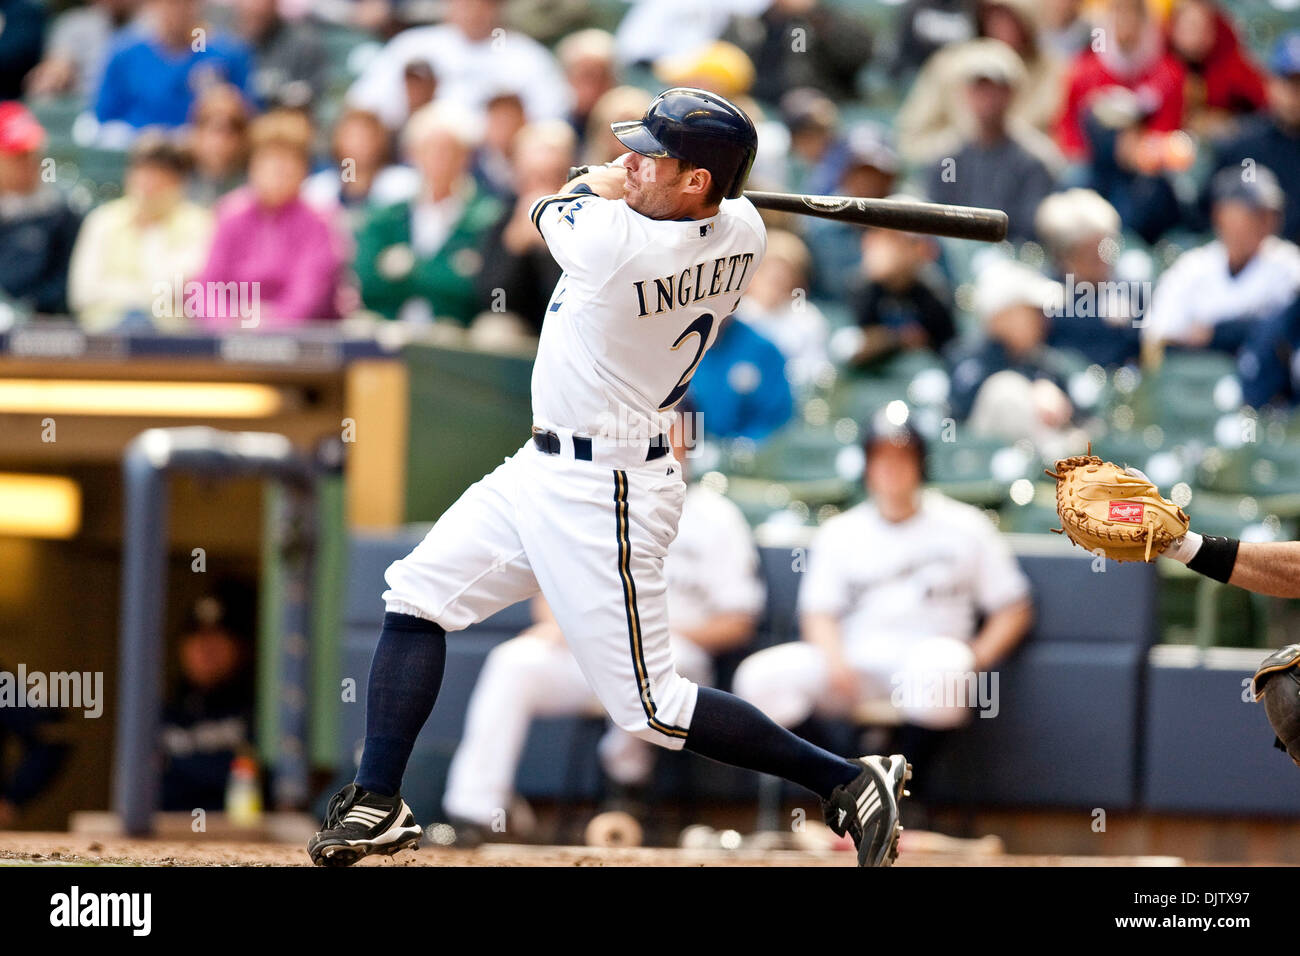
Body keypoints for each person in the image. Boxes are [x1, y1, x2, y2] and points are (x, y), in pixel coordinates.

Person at [308, 88, 912, 870]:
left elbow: (545, 207)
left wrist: (594, 184)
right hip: (543, 465)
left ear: (697, 183)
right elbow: (675, 202)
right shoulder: (746, 227)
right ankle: (379, 800)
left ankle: (847, 782)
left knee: (653, 709)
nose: (630, 160)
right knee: (416, 594)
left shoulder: (615, 243)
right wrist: (640, 181)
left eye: (651, 155)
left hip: (609, 486)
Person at [442, 425, 764, 842]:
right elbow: (547, 594)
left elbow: (738, 622)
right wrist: (563, 626)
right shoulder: (598, 499)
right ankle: (477, 811)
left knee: (659, 659)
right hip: (594, 649)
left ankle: (625, 784)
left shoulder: (717, 516)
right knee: (514, 661)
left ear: (688, 438)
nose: (657, 436)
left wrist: (650, 632)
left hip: (675, 651)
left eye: (669, 427)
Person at [733, 416, 1032, 798]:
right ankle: (844, 784)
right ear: (867, 467)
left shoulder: (965, 525)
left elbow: (1014, 607)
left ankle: (900, 798)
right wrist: (835, 659)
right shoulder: (841, 531)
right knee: (760, 678)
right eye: (881, 459)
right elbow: (818, 612)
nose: (892, 469)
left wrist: (977, 656)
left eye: (902, 458)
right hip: (855, 667)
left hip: (927, 664)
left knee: (943, 667)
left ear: (921, 465)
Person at [353, 100, 502, 326]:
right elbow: (369, 284)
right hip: (390, 326)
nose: (439, 159)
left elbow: (479, 291)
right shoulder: (386, 216)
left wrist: (409, 269)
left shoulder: (487, 218)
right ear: (414, 155)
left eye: (448, 151)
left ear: (465, 158)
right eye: (429, 150)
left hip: (456, 333)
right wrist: (446, 272)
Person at [196, 109, 344, 327]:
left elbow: (309, 294)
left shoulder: (320, 220)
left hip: (304, 342)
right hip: (231, 337)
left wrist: (269, 323)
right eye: (270, 159)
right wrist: (225, 321)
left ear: (304, 170)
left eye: (289, 160)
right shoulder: (230, 213)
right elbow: (206, 287)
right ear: (252, 165)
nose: (279, 169)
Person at [1142, 166, 1300, 357]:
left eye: (1270, 213)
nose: (1266, 221)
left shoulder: (1290, 265)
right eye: (1254, 211)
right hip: (1195, 374)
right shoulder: (1193, 266)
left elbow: (1280, 332)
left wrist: (1216, 333)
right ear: (1220, 214)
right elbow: (1158, 334)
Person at [345, 0, 571, 131]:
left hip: (498, 169)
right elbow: (365, 106)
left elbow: (550, 122)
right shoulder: (412, 46)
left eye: (482, 3)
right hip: (415, 157)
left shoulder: (527, 56)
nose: (472, 10)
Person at [68, 133, 213, 331]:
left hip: (171, 342)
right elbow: (82, 294)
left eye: (160, 173)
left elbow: (181, 290)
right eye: (142, 171)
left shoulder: (199, 223)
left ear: (178, 181)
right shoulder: (102, 220)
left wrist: (153, 230)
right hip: (104, 338)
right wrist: (141, 296)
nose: (149, 182)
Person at [896, 0, 1066, 164]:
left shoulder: (1054, 70)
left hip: (1024, 176)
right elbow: (911, 139)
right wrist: (963, 145)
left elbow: (1063, 145)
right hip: (956, 175)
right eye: (995, 16)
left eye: (1010, 18)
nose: (1002, 27)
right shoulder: (949, 64)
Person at [947, 258, 1084, 458]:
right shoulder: (969, 358)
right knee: (1006, 392)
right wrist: (1031, 390)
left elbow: (1081, 417)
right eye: (1032, 312)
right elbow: (958, 415)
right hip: (980, 459)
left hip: (1043, 447)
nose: (1043, 320)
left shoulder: (1041, 361)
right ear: (1002, 315)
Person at [922, 44, 1057, 243]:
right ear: (965, 93)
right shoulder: (945, 157)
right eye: (979, 88)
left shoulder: (1035, 160)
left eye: (995, 89)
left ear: (1012, 93)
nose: (987, 98)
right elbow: (933, 224)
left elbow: (1031, 232)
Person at [94, 0, 253, 136]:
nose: (177, 11)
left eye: (185, 3)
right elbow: (105, 117)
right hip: (139, 149)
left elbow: (247, 116)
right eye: (169, 3)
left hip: (203, 154)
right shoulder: (126, 52)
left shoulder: (221, 52)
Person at [476, 120, 576, 337]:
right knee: (494, 329)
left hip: (572, 329)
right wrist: (513, 250)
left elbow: (578, 300)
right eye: (533, 176)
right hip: (521, 333)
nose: (540, 189)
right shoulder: (504, 216)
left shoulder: (586, 215)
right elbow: (494, 302)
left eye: (552, 176)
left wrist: (550, 247)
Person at [1056, 0, 1184, 162]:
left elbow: (1168, 126)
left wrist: (1140, 151)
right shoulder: (1085, 70)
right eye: (1119, 11)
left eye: (1134, 12)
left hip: (1145, 163)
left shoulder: (1168, 74)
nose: (1127, 20)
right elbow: (1068, 125)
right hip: (1093, 161)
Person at [160, 597, 255, 812]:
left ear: (239, 647)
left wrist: (179, 765)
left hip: (240, 838)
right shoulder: (163, 712)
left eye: (217, 639)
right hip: (166, 835)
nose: (206, 650)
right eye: (197, 639)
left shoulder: (257, 711)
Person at [1205, 33, 1300, 244]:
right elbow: (1206, 214)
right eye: (1288, 82)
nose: (1295, 93)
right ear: (1271, 83)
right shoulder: (1241, 145)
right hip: (1251, 262)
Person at [1035, 188, 1141, 369]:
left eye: (1107, 248)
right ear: (1064, 257)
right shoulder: (1042, 293)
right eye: (1091, 255)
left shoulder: (1130, 292)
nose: (1103, 260)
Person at [0, 102, 81, 315]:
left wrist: (27, 308)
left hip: (40, 326)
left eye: (32, 154)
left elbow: (68, 282)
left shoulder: (62, 213)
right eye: (17, 156)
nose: (29, 163)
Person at [851, 219, 955, 367]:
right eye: (888, 239)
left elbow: (945, 347)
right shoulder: (864, 286)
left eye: (898, 241)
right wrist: (898, 338)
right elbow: (860, 348)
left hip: (921, 371)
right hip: (877, 370)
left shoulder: (934, 289)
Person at [735, 229, 830, 391]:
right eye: (768, 270)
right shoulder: (735, 314)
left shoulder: (808, 318)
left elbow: (818, 372)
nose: (776, 278)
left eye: (784, 272)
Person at [24, 0, 137, 98]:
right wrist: (53, 75)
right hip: (84, 107)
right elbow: (58, 62)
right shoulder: (75, 23)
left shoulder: (150, 28)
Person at [184, 84, 250, 206]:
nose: (219, 142)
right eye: (213, 130)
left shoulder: (252, 182)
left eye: (231, 130)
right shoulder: (177, 172)